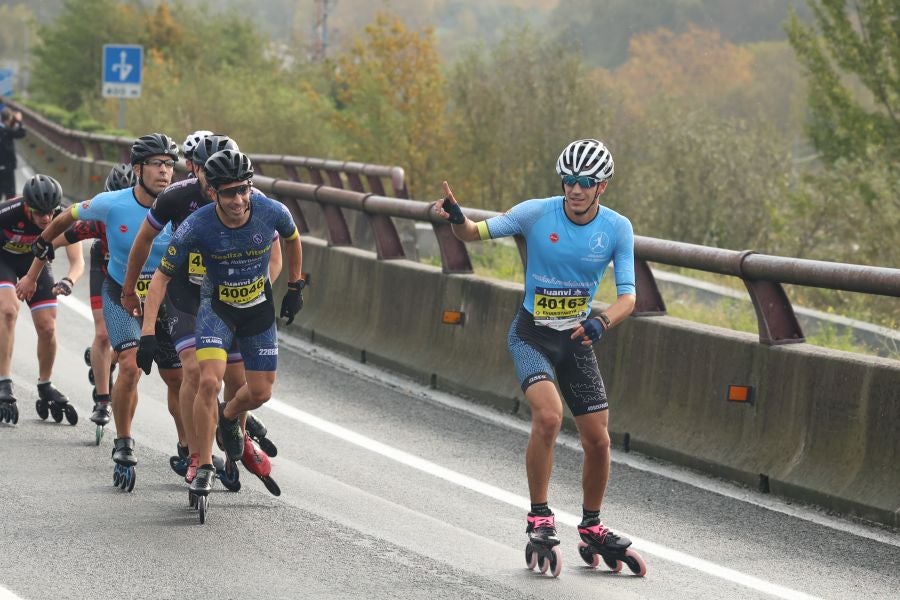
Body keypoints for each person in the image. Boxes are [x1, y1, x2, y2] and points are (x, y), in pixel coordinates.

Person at [432, 139, 644, 576]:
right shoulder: (535, 212)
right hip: (531, 335)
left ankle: (591, 525)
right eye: (568, 180)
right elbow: (474, 233)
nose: (575, 189)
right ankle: (540, 518)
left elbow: (628, 298)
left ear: (602, 186)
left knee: (599, 440)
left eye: (585, 182)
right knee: (549, 417)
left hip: (578, 340)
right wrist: (457, 218)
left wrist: (603, 323)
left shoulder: (617, 228)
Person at [138, 149, 303, 502]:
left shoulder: (270, 210)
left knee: (259, 392)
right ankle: (202, 462)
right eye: (229, 192)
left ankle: (229, 418)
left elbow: (292, 239)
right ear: (212, 192)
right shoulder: (196, 225)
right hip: (216, 309)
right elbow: (161, 279)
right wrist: (148, 331)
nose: (239, 199)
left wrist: (294, 285)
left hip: (257, 309)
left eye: (244, 189)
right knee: (207, 379)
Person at [31, 134, 184, 491]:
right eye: (157, 164)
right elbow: (68, 215)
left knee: (178, 379)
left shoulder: (183, 204)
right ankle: (125, 442)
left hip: (167, 298)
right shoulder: (112, 203)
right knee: (129, 364)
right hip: (121, 294)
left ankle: (188, 448)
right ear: (137, 170)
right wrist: (41, 245)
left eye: (169, 165)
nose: (165, 171)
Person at [22, 164, 136, 440]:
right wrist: (31, 276)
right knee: (102, 333)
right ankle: (102, 399)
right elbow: (50, 244)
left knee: (128, 353)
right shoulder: (98, 219)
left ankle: (106, 363)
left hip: (141, 276)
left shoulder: (154, 215)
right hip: (106, 269)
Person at [0, 174, 84, 426]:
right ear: (27, 207)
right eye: (39, 213)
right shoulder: (7, 213)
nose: (46, 219)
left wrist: (68, 280)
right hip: (3, 259)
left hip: (34, 264)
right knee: (8, 310)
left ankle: (45, 383)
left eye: (50, 212)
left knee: (47, 327)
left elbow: (77, 261)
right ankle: (4, 381)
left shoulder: (62, 218)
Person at [0, 108, 25, 201]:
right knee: (10, 196)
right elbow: (22, 133)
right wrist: (18, 121)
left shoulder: (5, 130)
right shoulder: (7, 131)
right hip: (8, 167)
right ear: (8, 119)